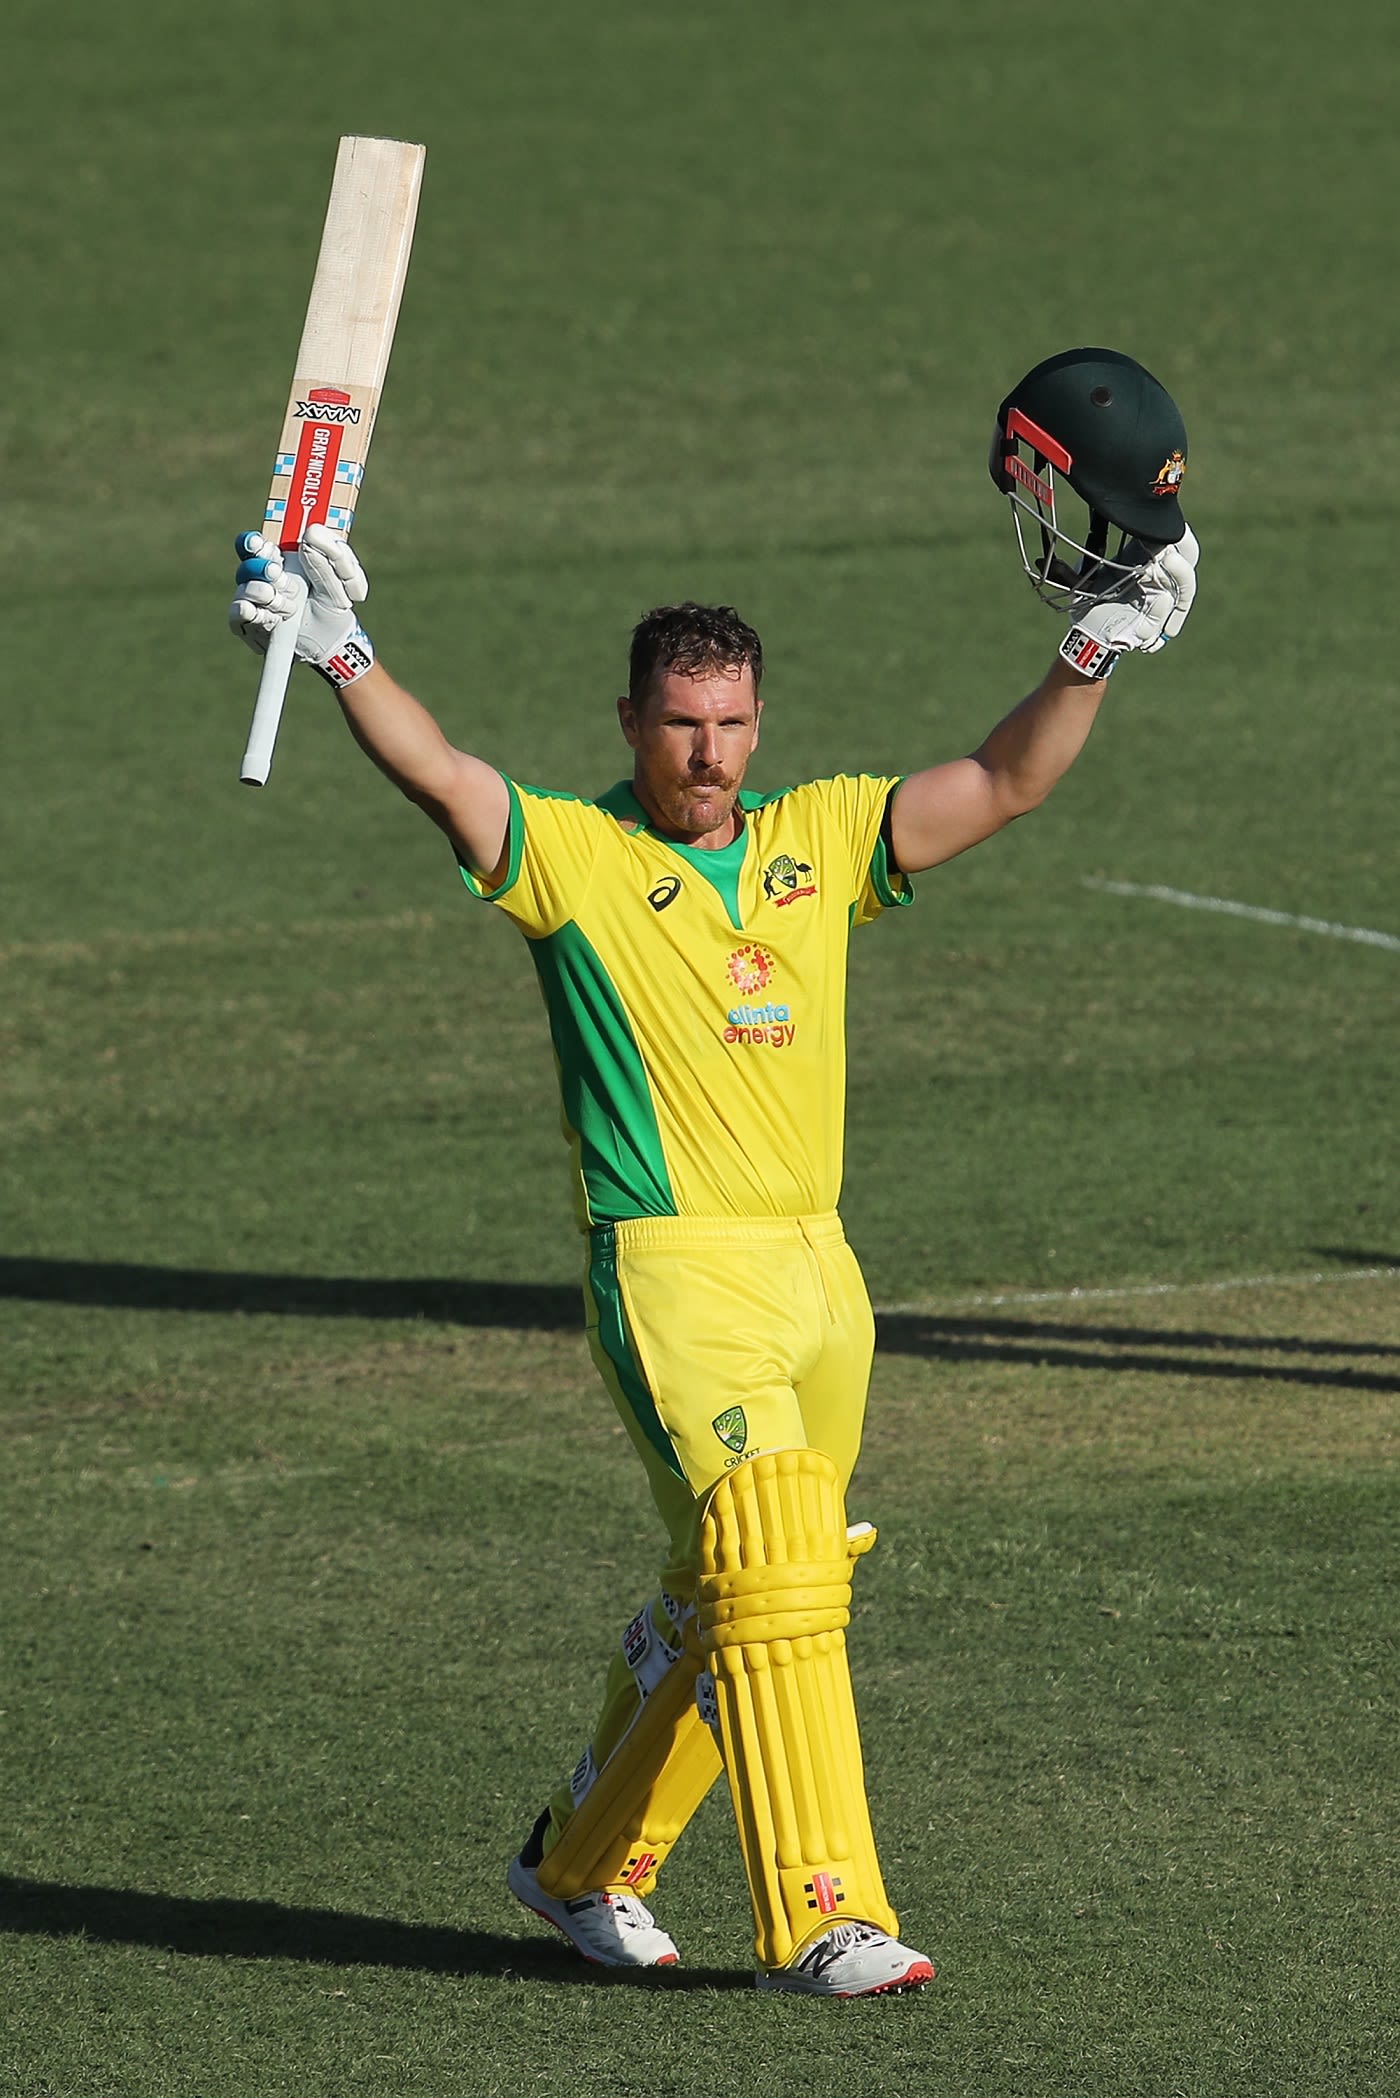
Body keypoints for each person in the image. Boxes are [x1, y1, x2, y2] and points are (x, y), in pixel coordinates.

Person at [228, 357, 1196, 1996]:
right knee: (778, 1556)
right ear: (631, 724)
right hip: (670, 1267)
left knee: (726, 1589)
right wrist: (342, 653)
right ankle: (826, 1907)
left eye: (734, 724)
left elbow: (1008, 780)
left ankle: (575, 1866)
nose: (710, 754)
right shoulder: (580, 859)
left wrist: (1095, 644)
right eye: (683, 725)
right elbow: (448, 776)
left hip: (821, 1272)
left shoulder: (821, 839)